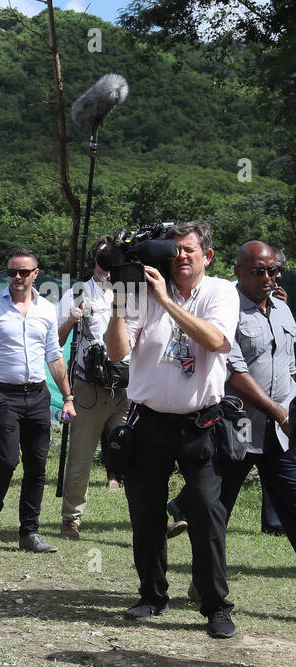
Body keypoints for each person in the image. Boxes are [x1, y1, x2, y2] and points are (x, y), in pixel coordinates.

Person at [103, 221, 240, 639]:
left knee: (205, 512)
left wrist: (166, 299)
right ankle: (151, 595)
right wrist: (118, 306)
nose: (180, 256)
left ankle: (215, 605)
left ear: (207, 256)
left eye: (190, 250)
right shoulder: (144, 293)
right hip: (149, 420)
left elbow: (216, 341)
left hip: (201, 422)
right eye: (174, 250)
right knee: (145, 513)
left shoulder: (220, 292)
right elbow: (118, 352)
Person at [165, 241, 295, 553]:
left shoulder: (282, 309)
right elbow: (235, 372)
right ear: (238, 271)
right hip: (237, 428)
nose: (269, 278)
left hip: (281, 432)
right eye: (259, 272)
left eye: (274, 272)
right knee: (218, 507)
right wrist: (279, 413)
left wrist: (288, 413)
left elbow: (291, 366)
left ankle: (182, 507)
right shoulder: (225, 307)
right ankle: (204, 580)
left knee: (292, 500)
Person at [0, 248, 75, 553]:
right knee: (7, 459)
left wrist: (67, 397)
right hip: (4, 395)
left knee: (37, 466)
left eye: (23, 272)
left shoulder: (47, 310)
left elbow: (54, 356)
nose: (16, 277)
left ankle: (29, 531)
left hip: (38, 396)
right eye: (12, 272)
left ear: (35, 275)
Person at [58, 238, 130, 538]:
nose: (109, 262)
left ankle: (150, 516)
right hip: (91, 385)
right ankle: (71, 518)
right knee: (81, 454)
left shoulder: (132, 290)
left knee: (135, 452)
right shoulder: (77, 291)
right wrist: (71, 320)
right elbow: (57, 341)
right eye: (103, 256)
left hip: (128, 384)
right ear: (94, 259)